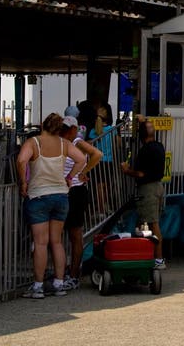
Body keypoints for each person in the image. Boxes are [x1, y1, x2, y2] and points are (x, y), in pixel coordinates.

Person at [16, 112, 86, 298]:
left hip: (38, 195)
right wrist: (70, 177)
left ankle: (38, 286)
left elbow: (22, 160)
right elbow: (82, 159)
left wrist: (23, 182)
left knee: (40, 242)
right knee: (57, 242)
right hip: (61, 196)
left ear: (42, 125)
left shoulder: (34, 143)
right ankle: (59, 283)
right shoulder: (65, 144)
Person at [59, 115, 103, 290]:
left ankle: (73, 274)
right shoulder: (61, 142)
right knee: (64, 235)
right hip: (64, 189)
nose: (66, 131)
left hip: (75, 190)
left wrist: (83, 172)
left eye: (68, 128)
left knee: (75, 234)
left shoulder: (76, 141)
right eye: (64, 127)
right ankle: (65, 273)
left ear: (75, 129)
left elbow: (97, 154)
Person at [121, 116, 166, 269]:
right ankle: (144, 255)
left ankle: (159, 259)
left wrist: (127, 171)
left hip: (148, 189)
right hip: (159, 187)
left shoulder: (145, 150)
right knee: (146, 223)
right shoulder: (159, 146)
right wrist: (142, 120)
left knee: (153, 224)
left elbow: (140, 174)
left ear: (140, 136)